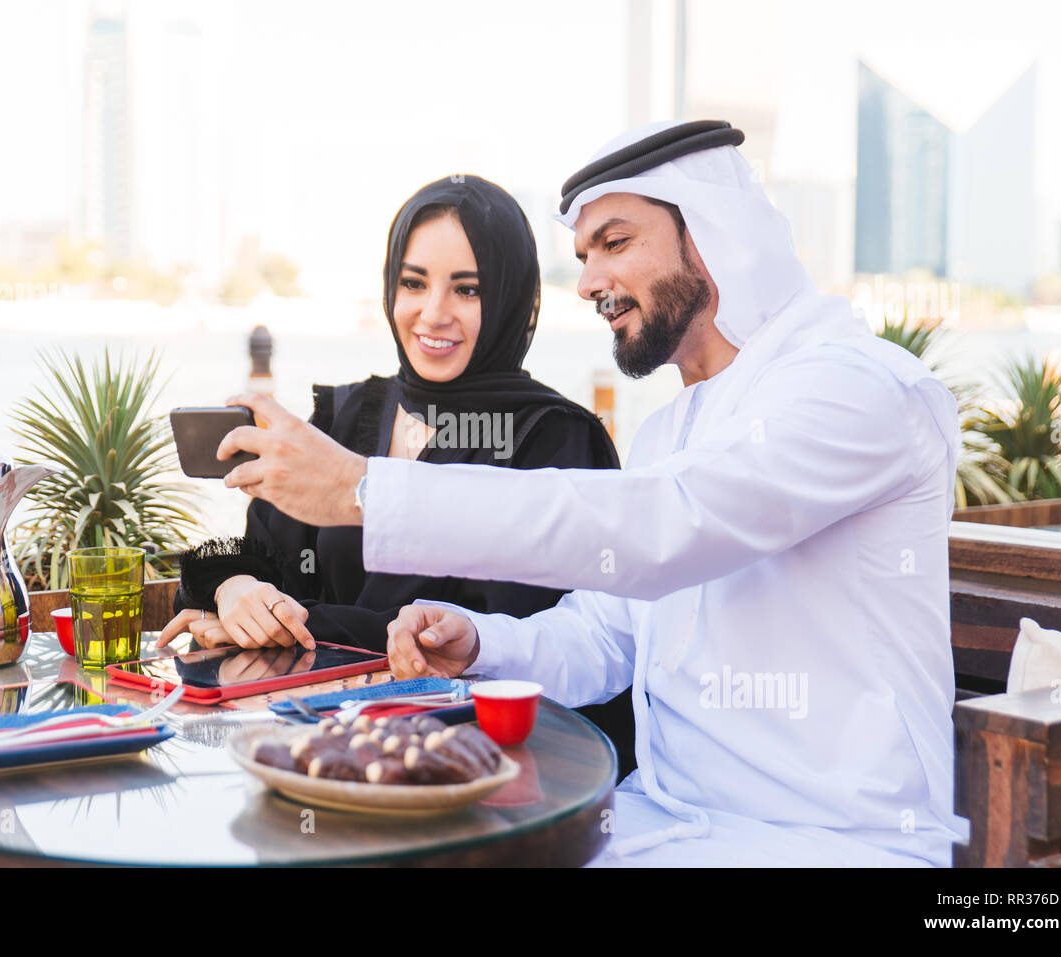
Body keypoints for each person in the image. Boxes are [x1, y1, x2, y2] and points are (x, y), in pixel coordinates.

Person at [214, 120, 969, 867]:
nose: (590, 283)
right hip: (654, 817)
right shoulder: (670, 431)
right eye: (583, 256)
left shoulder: (857, 390)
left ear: (712, 233)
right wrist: (482, 641)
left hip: (830, 842)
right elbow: (605, 636)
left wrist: (363, 491)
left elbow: (661, 527)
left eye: (615, 242)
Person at [160, 176, 633, 774]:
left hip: (472, 767)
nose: (432, 313)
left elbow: (508, 639)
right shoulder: (348, 413)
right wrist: (232, 589)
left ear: (511, 297)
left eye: (468, 289)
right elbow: (251, 551)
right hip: (317, 754)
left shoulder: (555, 436)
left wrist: (292, 621)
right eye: (413, 283)